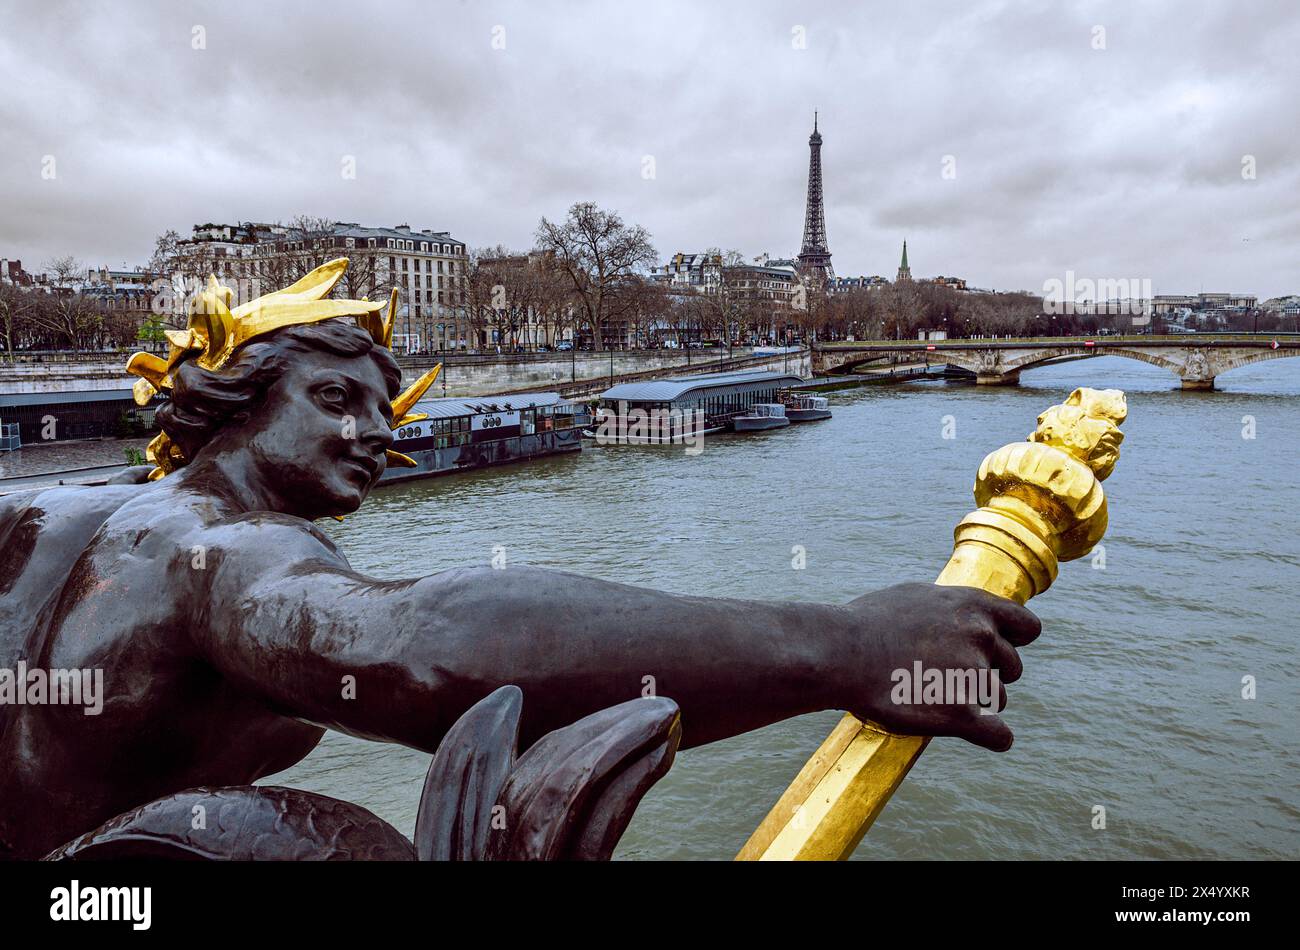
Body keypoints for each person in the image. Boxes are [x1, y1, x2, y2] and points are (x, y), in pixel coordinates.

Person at [0, 261, 1038, 860]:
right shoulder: (225, 548)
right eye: (335, 397)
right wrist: (844, 645)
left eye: (385, 406)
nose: (378, 432)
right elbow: (416, 647)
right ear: (236, 400)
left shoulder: (45, 513)